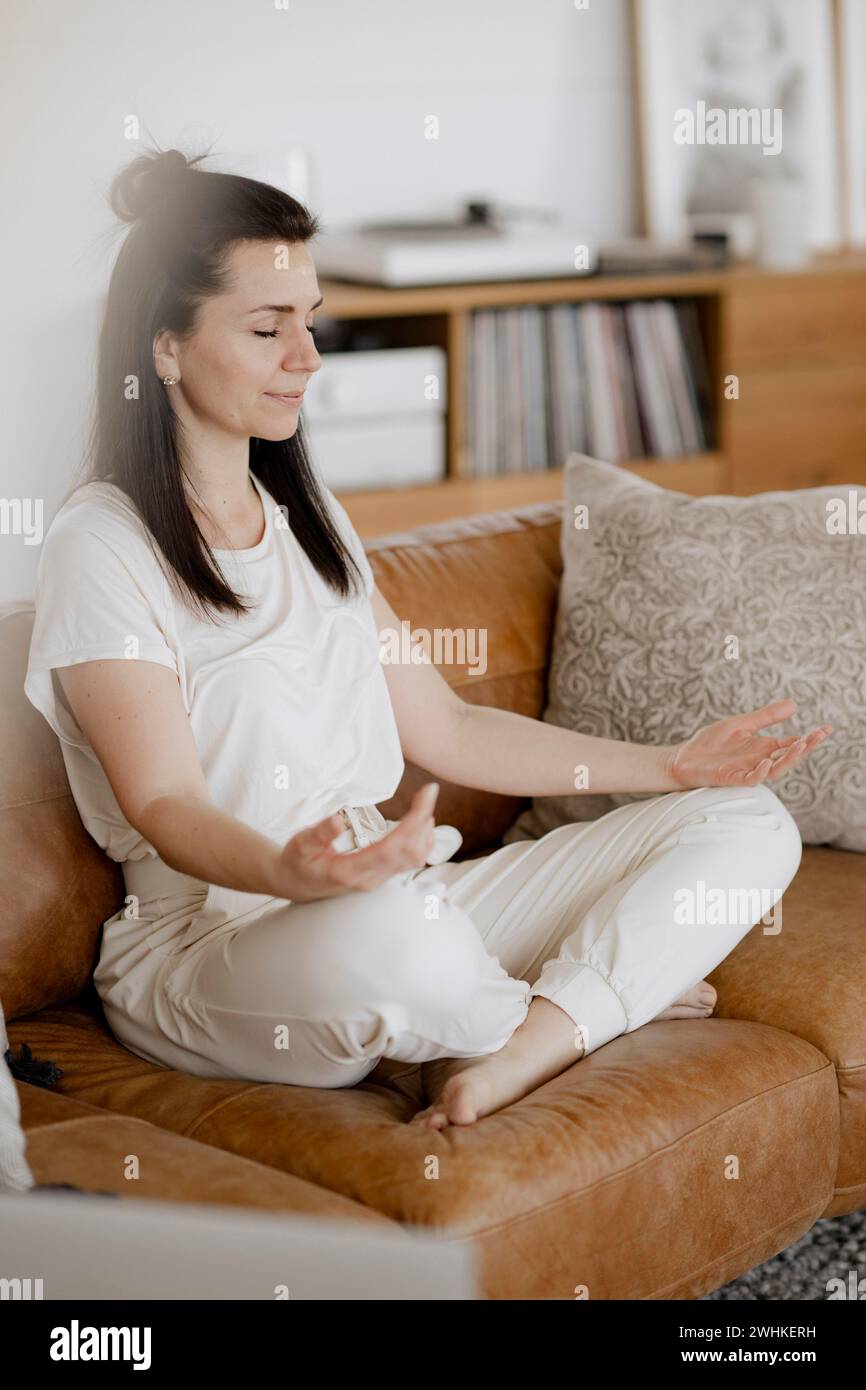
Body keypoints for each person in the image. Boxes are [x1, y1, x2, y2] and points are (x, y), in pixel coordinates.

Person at [24, 147, 830, 1131]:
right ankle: (581, 1004)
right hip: (218, 946)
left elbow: (447, 729)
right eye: (268, 328)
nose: (307, 358)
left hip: (386, 893)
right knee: (402, 945)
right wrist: (292, 872)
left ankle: (524, 1035)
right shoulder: (100, 544)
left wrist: (670, 764)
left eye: (310, 323)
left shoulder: (303, 511)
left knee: (744, 821)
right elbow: (162, 799)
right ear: (164, 346)